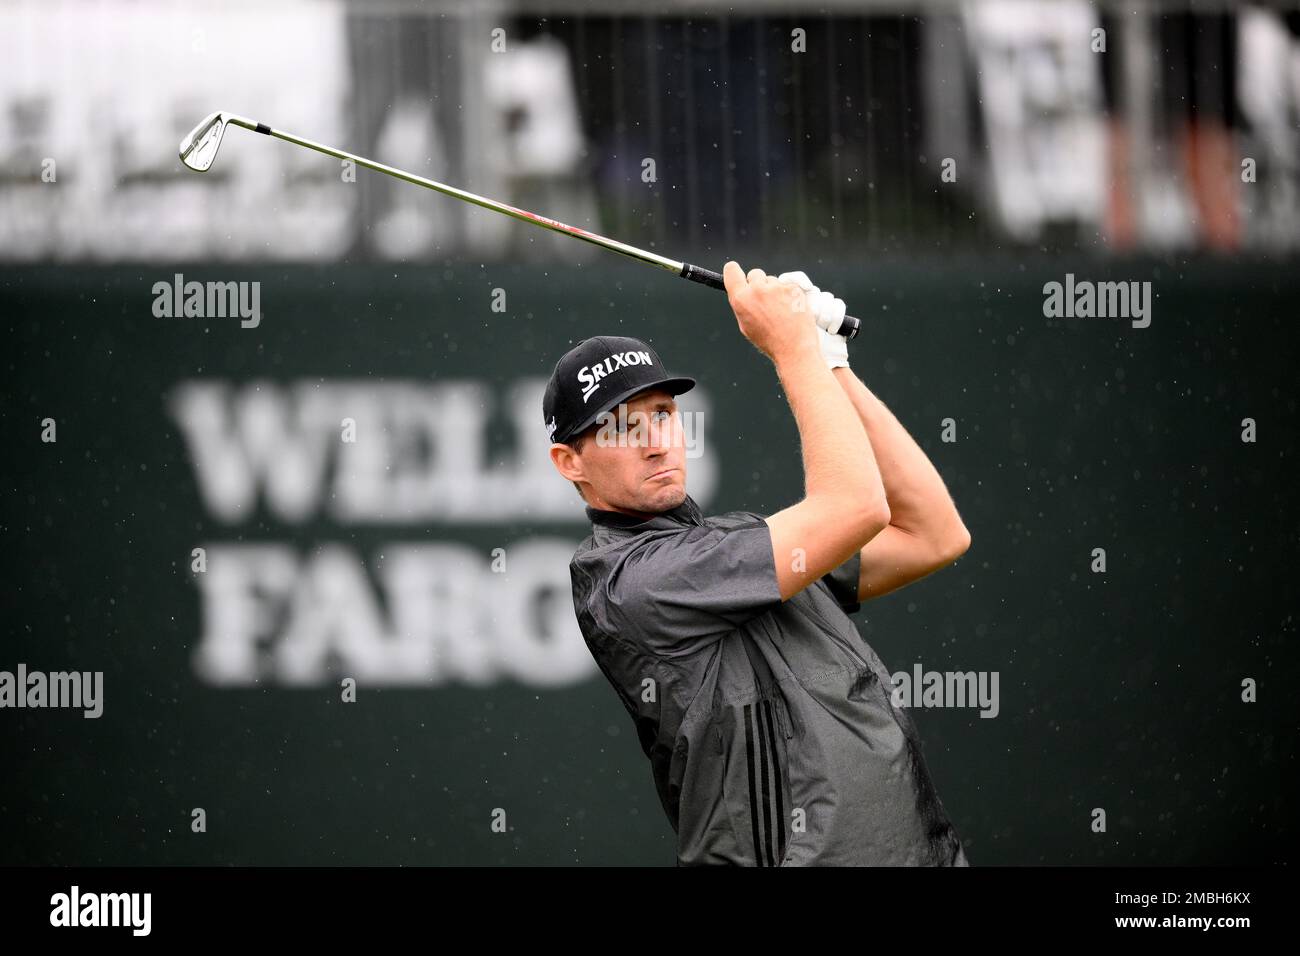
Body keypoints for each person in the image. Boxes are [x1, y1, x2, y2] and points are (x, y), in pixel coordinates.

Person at [543, 261, 972, 866]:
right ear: (570, 462)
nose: (655, 443)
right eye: (620, 429)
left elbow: (932, 534)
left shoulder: (743, 544)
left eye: (663, 415)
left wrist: (831, 363)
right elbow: (855, 506)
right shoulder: (628, 584)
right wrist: (793, 350)